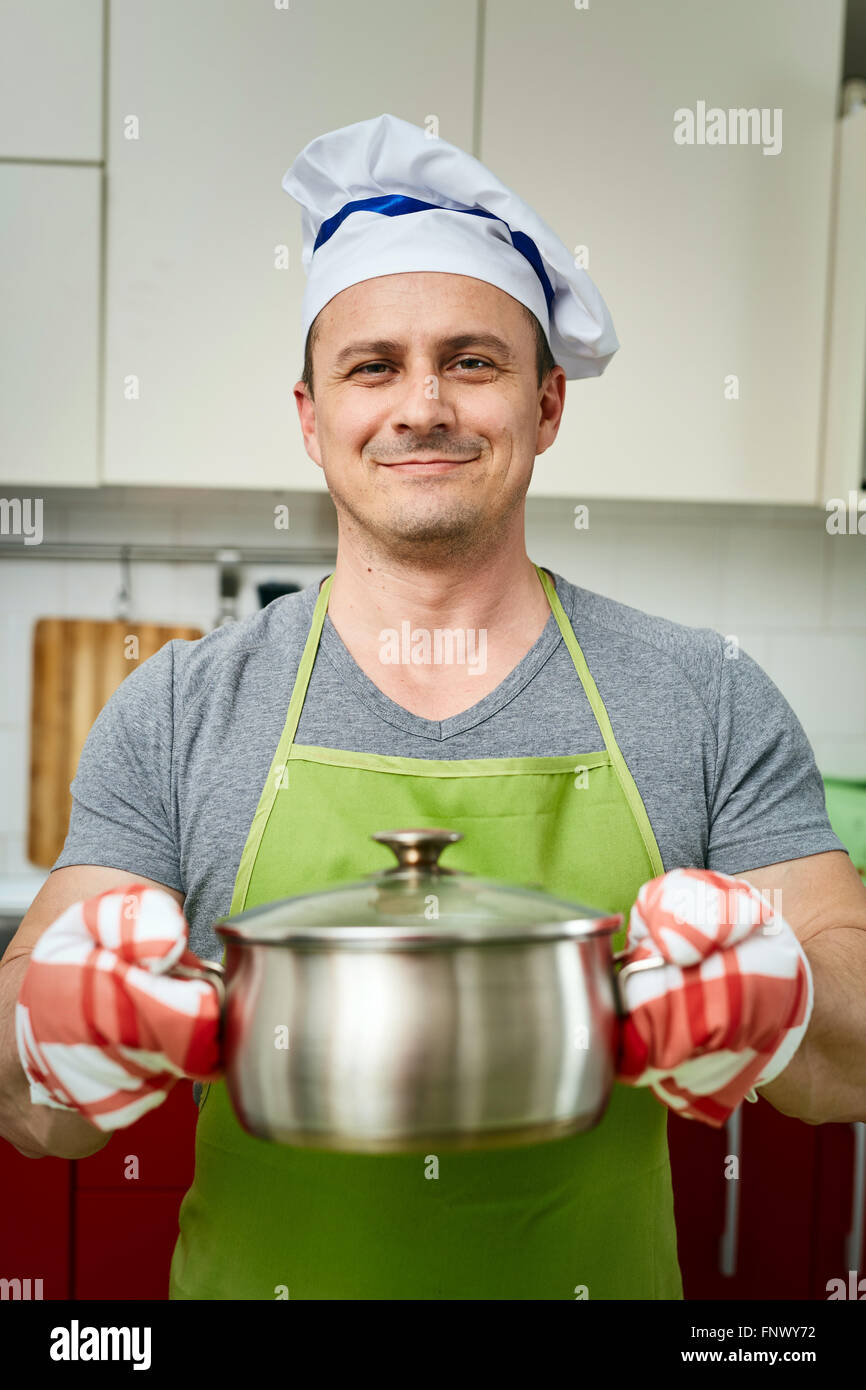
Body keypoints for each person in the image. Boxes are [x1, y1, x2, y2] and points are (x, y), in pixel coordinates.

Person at [3, 114, 865, 1302]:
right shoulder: (179, 708)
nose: (422, 407)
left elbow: (849, 1056)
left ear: (546, 403)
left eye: (470, 360)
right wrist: (49, 1036)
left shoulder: (699, 693)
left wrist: (790, 991)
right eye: (372, 366)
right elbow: (36, 1113)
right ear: (311, 416)